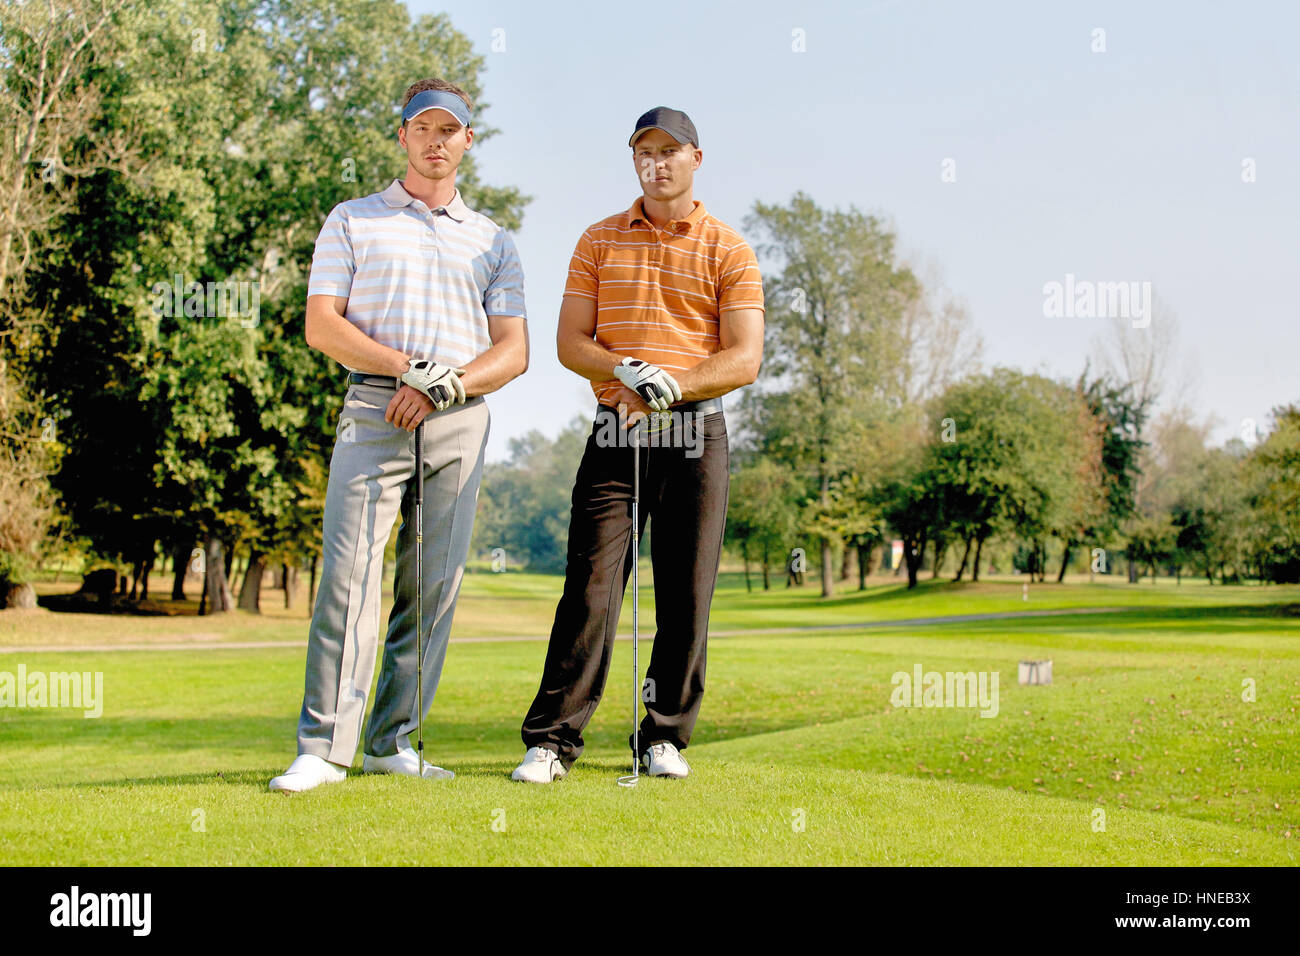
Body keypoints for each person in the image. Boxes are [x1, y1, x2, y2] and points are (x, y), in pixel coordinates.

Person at [270, 78, 528, 793]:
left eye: (449, 130)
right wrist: (406, 370)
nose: (435, 141)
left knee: (433, 587)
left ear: (467, 142)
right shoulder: (353, 219)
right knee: (348, 580)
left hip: (458, 417)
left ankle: (393, 741)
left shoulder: (493, 240)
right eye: (423, 128)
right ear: (403, 135)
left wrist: (447, 383)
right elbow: (323, 323)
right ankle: (323, 750)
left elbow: (513, 350)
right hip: (375, 410)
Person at [512, 107, 764, 784]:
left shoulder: (729, 249)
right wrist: (626, 372)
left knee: (686, 593)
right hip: (615, 429)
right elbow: (571, 343)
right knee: (590, 589)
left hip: (693, 432)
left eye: (669, 151)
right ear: (635, 162)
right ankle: (552, 740)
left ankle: (664, 737)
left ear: (695, 159)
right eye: (644, 153)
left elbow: (744, 359)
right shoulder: (598, 240)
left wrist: (670, 384)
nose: (657, 163)